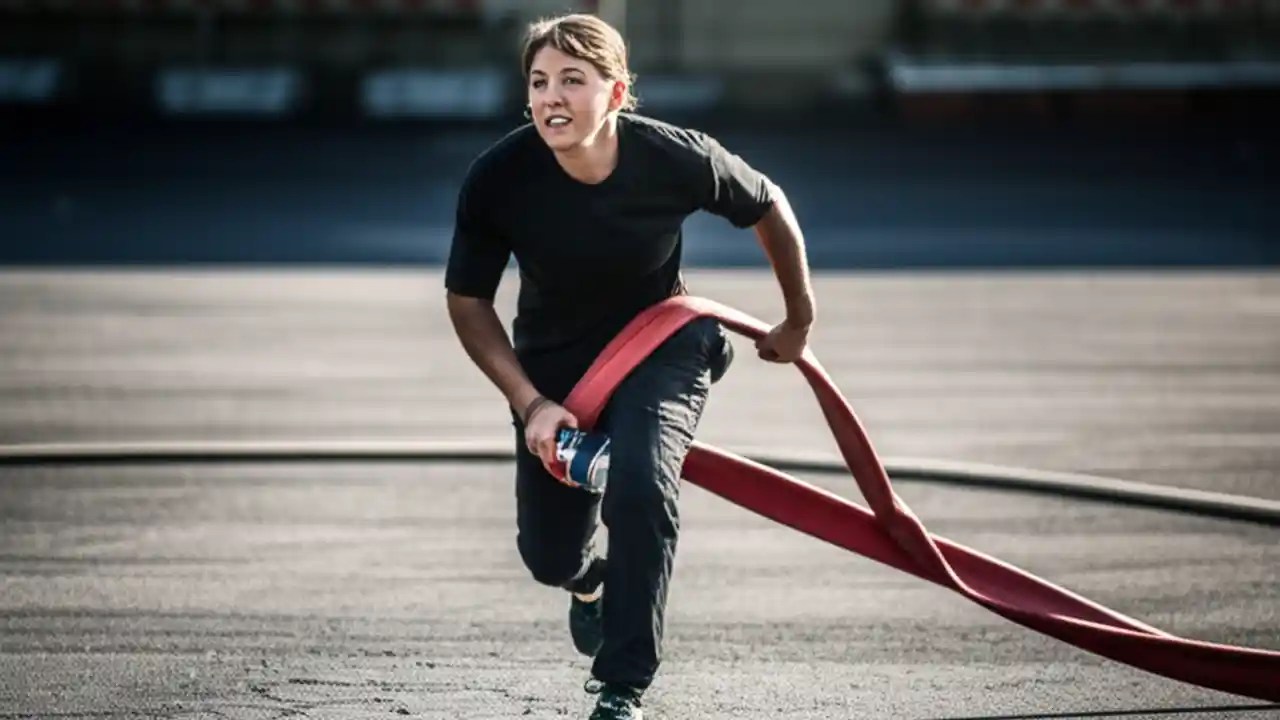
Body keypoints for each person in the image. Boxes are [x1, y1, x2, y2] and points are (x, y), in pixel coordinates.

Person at [444, 13, 815, 720]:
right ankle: (591, 583)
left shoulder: (675, 156)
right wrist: (530, 404)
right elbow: (467, 301)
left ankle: (621, 686)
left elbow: (768, 205)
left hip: (663, 343)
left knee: (641, 488)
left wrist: (797, 319)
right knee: (547, 558)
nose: (552, 98)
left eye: (572, 82)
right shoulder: (499, 177)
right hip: (555, 369)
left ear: (616, 94)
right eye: (539, 82)